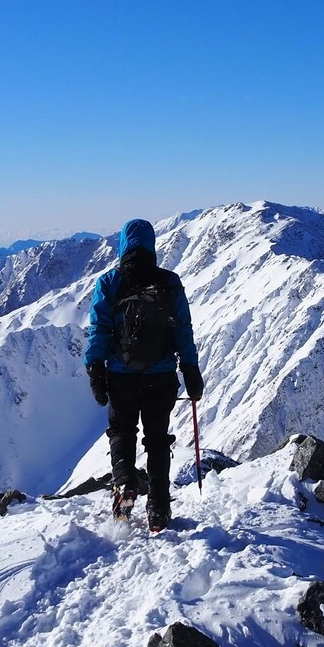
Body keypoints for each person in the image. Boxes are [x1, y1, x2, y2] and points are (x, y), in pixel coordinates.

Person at [84, 218, 203, 530]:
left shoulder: (109, 282)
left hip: (121, 375)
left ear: (123, 244)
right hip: (161, 376)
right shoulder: (170, 282)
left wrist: (95, 368)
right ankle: (159, 507)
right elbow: (184, 332)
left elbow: (99, 328)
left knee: (122, 431)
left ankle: (124, 484)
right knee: (158, 440)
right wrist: (191, 371)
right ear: (152, 244)